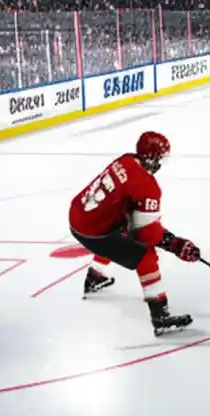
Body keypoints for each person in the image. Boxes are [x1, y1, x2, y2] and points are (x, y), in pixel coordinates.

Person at [69, 131, 202, 336]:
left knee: (121, 229)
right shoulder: (147, 186)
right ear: (152, 157)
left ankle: (95, 276)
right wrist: (176, 245)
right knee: (145, 255)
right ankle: (160, 316)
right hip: (93, 231)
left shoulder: (127, 159)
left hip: (78, 214)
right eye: (161, 157)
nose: (161, 163)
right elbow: (146, 234)